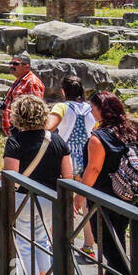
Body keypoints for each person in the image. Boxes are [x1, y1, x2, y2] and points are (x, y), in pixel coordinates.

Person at [79, 91, 138, 275]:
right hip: (131, 193)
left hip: (105, 195)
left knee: (104, 238)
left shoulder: (98, 138)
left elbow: (93, 169)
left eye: (93, 108)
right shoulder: (133, 132)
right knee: (118, 234)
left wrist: (80, 194)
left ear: (101, 111)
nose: (92, 112)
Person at [3, 94, 72, 275]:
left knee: (24, 241)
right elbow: (68, 175)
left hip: (24, 197)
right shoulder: (57, 140)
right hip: (51, 197)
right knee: (43, 240)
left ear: (18, 116)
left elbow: (11, 176)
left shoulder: (15, 141)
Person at [46, 76, 97, 260]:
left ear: (63, 91)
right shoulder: (92, 108)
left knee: (61, 200)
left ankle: (58, 240)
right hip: (87, 158)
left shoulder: (61, 107)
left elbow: (49, 127)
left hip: (65, 158)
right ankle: (89, 246)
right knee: (85, 203)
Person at [1, 53, 46, 135]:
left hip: (23, 131)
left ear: (27, 66)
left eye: (15, 64)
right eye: (10, 63)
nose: (11, 66)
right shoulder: (20, 80)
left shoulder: (32, 83)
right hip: (15, 129)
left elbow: (34, 111)